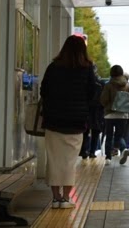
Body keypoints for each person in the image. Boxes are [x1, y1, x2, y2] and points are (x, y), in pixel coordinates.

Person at [39, 35, 98, 208]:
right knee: (69, 162)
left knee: (54, 160)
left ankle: (55, 198)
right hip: (76, 122)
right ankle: (66, 198)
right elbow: (92, 93)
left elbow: (44, 90)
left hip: (53, 121)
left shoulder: (53, 67)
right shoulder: (86, 69)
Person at [99, 65, 129, 165]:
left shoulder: (108, 85)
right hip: (123, 115)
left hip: (110, 114)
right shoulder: (127, 86)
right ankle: (123, 149)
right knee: (119, 136)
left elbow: (103, 100)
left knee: (109, 135)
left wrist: (106, 105)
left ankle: (108, 158)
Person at [80, 76, 106, 160]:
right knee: (95, 132)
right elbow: (103, 99)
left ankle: (84, 151)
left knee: (85, 131)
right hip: (98, 111)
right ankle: (92, 152)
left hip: (86, 110)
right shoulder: (101, 84)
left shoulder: (85, 84)